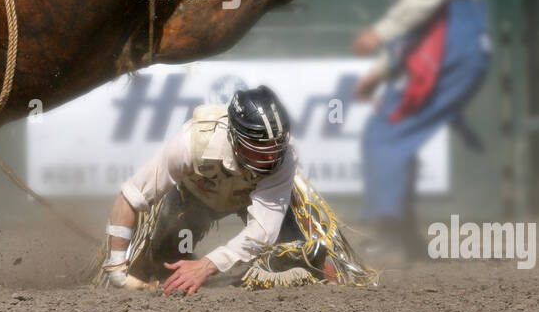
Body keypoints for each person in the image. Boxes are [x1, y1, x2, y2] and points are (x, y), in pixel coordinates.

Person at [346, 0, 490, 262]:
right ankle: (401, 236)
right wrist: (383, 67)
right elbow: (426, 13)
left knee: (386, 131)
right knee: (393, 129)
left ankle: (393, 237)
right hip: (453, 34)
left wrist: (380, 34)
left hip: (450, 34)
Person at [98, 85, 374, 293]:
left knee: (312, 263)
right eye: (259, 150)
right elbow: (131, 197)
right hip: (195, 197)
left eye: (275, 148)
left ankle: (313, 279)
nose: (270, 159)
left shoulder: (286, 156)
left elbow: (262, 232)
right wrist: (116, 267)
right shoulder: (191, 143)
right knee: (159, 268)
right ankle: (153, 260)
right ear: (235, 139)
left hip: (252, 200)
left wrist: (207, 265)